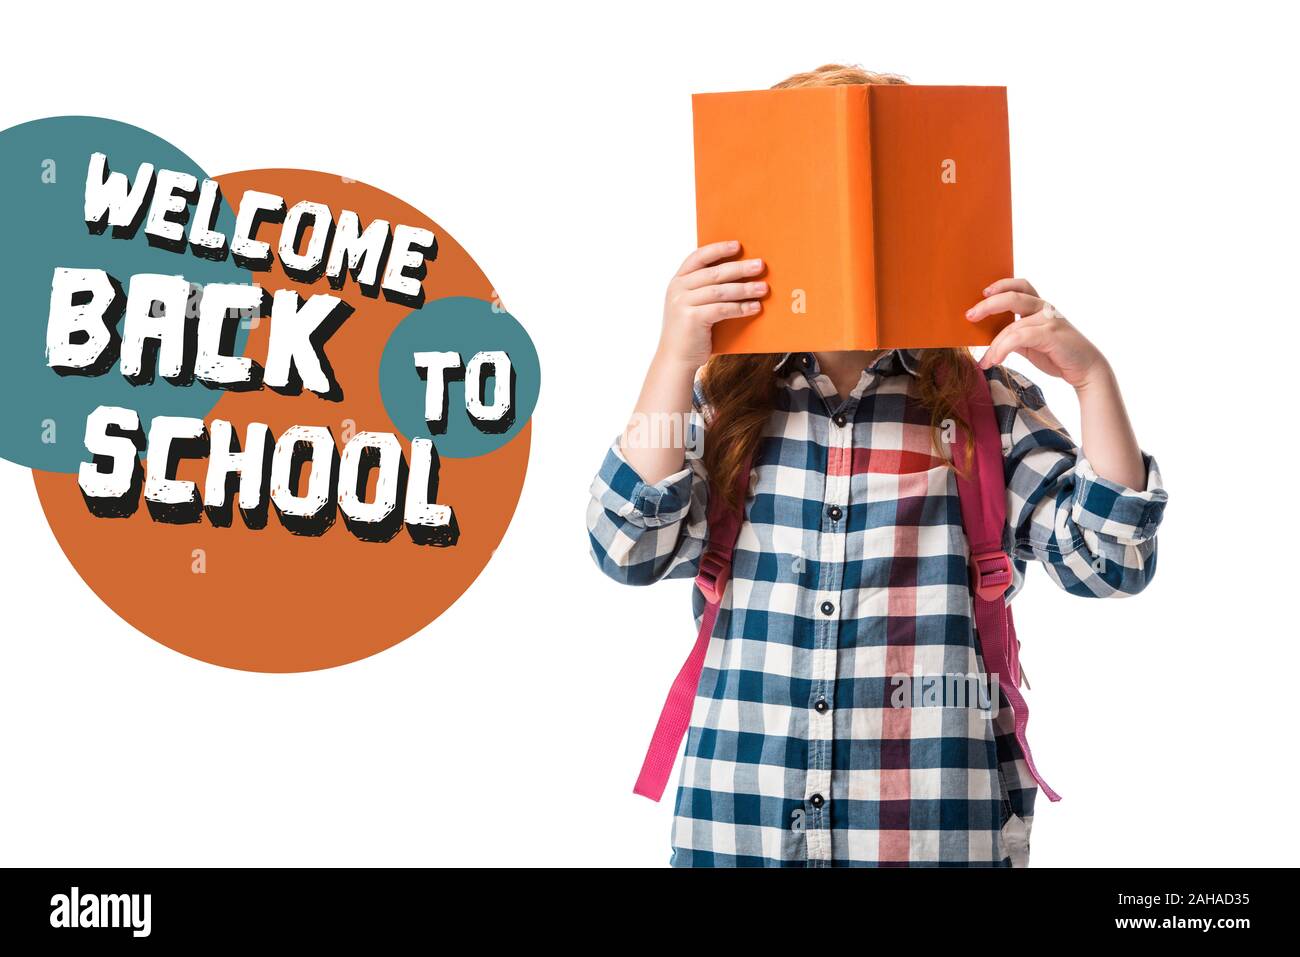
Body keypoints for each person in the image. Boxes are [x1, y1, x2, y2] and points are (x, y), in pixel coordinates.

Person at [585, 64, 1168, 867]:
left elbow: (1112, 560)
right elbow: (625, 547)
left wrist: (1093, 379)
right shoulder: (719, 400)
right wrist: (675, 350)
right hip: (739, 827)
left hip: (934, 831)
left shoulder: (983, 402)